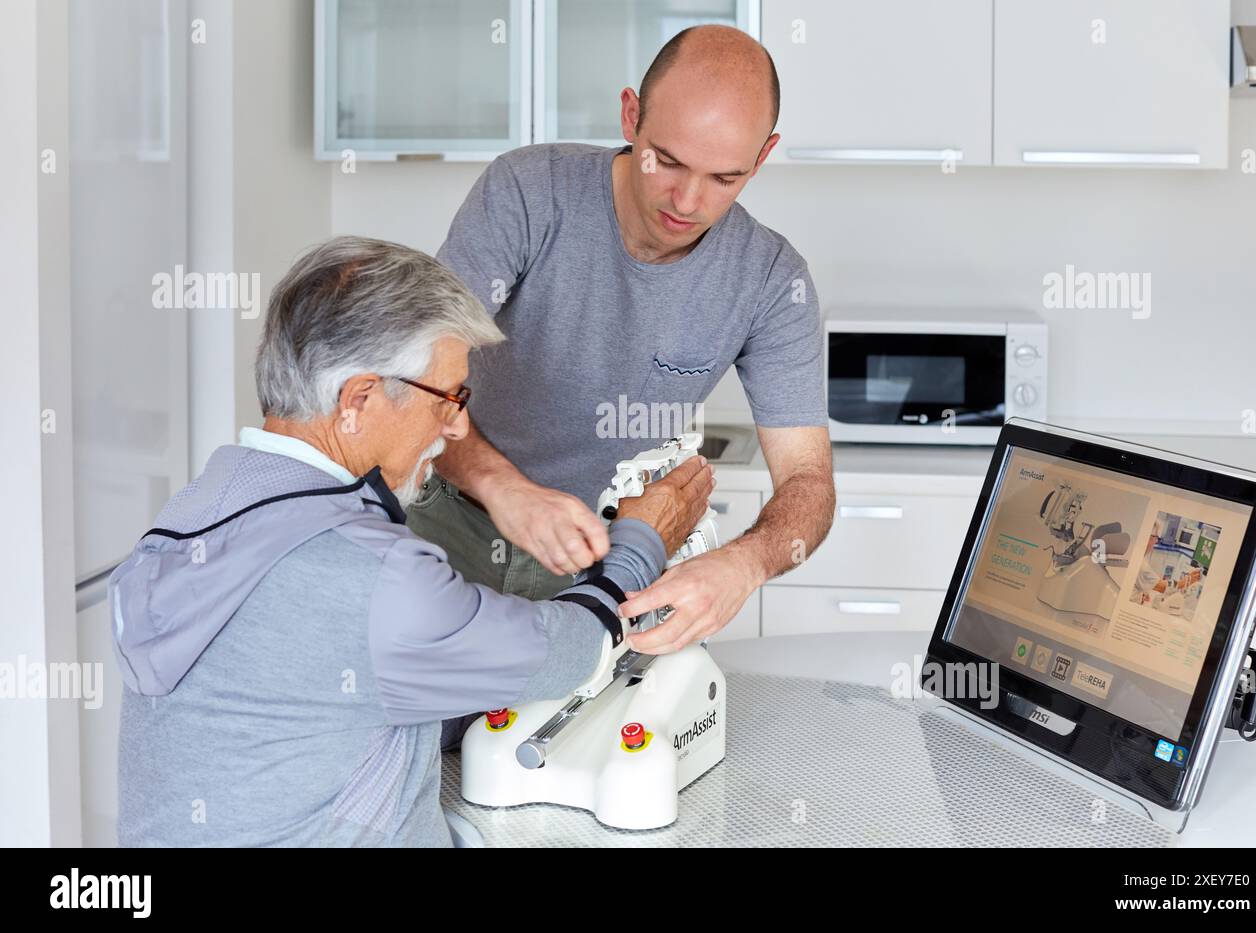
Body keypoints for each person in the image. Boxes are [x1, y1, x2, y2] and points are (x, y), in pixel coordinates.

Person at [108, 236, 714, 846]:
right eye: (448, 397)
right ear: (359, 400)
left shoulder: (193, 513)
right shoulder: (366, 569)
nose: (455, 426)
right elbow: (562, 656)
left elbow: (318, 701)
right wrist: (640, 541)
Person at [407, 25, 835, 654]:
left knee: (609, 742)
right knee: (440, 741)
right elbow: (419, 383)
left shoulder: (771, 278)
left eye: (724, 178)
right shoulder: (528, 194)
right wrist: (506, 489)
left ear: (762, 157)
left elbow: (809, 482)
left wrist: (745, 564)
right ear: (631, 115)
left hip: (621, 552)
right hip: (458, 522)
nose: (688, 201)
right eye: (668, 160)